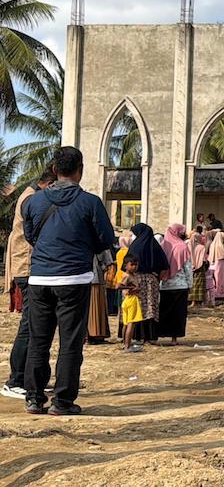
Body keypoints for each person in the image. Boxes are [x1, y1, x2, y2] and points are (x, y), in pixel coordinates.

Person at [21, 147, 116, 415]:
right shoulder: (91, 202)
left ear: (54, 170)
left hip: (39, 278)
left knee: (38, 340)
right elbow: (106, 239)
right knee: (70, 342)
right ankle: (62, 401)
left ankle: (34, 398)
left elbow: (31, 235)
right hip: (74, 279)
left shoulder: (33, 202)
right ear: (80, 170)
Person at [2, 167, 56, 400]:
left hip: (29, 267)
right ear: (49, 183)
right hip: (27, 267)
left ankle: (28, 379)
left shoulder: (29, 195)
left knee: (33, 326)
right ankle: (16, 379)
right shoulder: (32, 199)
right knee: (28, 326)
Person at [126, 223, 169, 345]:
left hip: (136, 280)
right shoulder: (155, 246)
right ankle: (148, 337)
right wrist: (157, 280)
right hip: (151, 281)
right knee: (150, 308)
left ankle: (135, 336)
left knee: (138, 307)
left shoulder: (134, 246)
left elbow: (127, 264)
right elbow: (164, 266)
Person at [158, 224, 192, 346]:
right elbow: (188, 268)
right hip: (181, 285)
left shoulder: (163, 247)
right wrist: (190, 284)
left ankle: (161, 334)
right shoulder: (183, 247)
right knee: (178, 313)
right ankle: (174, 338)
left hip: (165, 285)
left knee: (165, 311)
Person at [87, 250, 114, 345]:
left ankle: (88, 335)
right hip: (96, 279)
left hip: (81, 279)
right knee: (97, 308)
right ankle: (96, 334)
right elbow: (107, 263)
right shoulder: (100, 244)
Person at [117, 256, 143, 353]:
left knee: (126, 323)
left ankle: (125, 344)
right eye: (132, 265)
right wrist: (131, 288)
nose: (134, 267)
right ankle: (127, 346)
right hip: (131, 300)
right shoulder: (128, 276)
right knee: (131, 324)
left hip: (127, 301)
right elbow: (118, 286)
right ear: (126, 266)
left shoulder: (132, 275)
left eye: (136, 265)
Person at [207, 231, 224, 306]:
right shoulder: (220, 246)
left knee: (215, 279)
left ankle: (214, 294)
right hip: (220, 264)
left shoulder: (213, 244)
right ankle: (220, 294)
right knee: (220, 279)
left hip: (213, 264)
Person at [188, 231, 208, 308]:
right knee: (199, 285)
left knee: (192, 285)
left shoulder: (189, 246)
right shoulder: (201, 247)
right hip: (200, 268)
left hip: (191, 268)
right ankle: (199, 302)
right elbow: (204, 259)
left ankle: (192, 301)